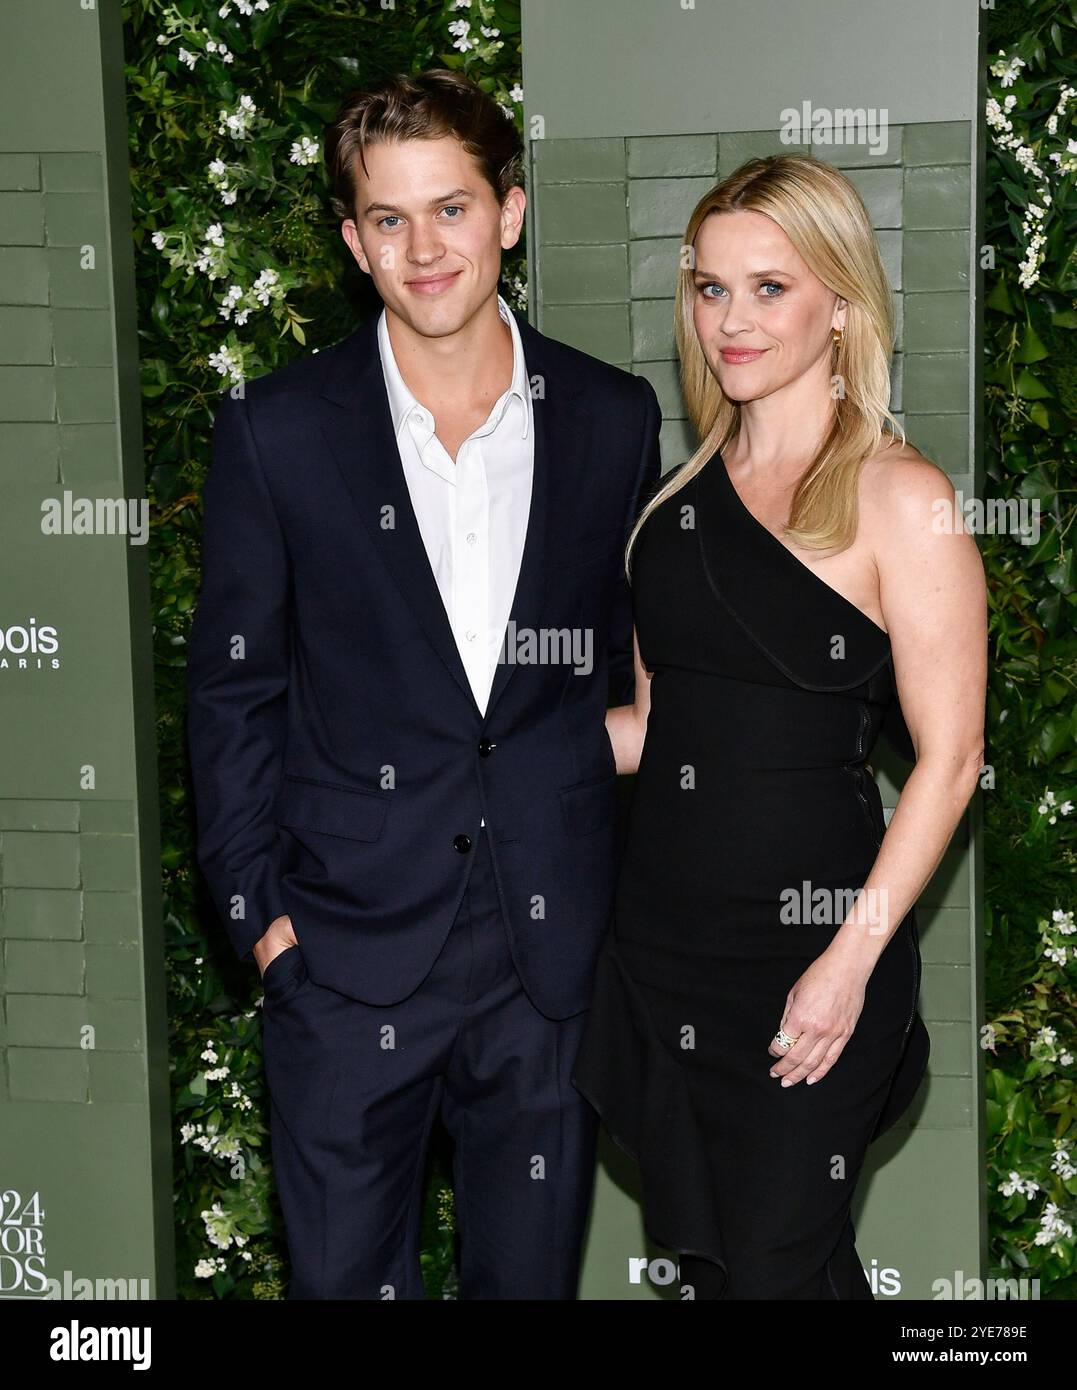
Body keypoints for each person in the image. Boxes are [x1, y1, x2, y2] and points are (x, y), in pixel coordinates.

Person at [186, 68, 661, 1299]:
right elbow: (234, 689)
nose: (424, 247)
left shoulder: (610, 419)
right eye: (388, 219)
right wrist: (261, 923)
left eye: (451, 209)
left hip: (546, 966)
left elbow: (620, 669)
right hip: (339, 958)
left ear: (509, 211)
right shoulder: (277, 431)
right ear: (353, 241)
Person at [571, 154, 987, 1300]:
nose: (731, 320)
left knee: (770, 1268)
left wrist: (850, 961)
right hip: (665, 958)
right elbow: (656, 727)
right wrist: (489, 749)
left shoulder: (902, 498)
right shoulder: (675, 504)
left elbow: (951, 763)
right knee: (734, 1278)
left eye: (769, 287)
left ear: (841, 303)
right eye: (710, 288)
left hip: (812, 955)